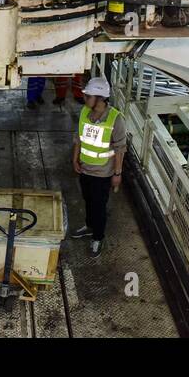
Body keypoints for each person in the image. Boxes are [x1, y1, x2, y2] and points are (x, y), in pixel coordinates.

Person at [70, 75, 125, 257]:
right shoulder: (84, 113)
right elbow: (78, 138)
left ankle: (98, 237)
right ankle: (89, 226)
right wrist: (75, 159)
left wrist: (117, 173)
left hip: (103, 173)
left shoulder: (116, 119)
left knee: (99, 206)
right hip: (85, 168)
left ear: (99, 98)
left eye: (88, 96)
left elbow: (119, 148)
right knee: (88, 200)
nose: (84, 98)